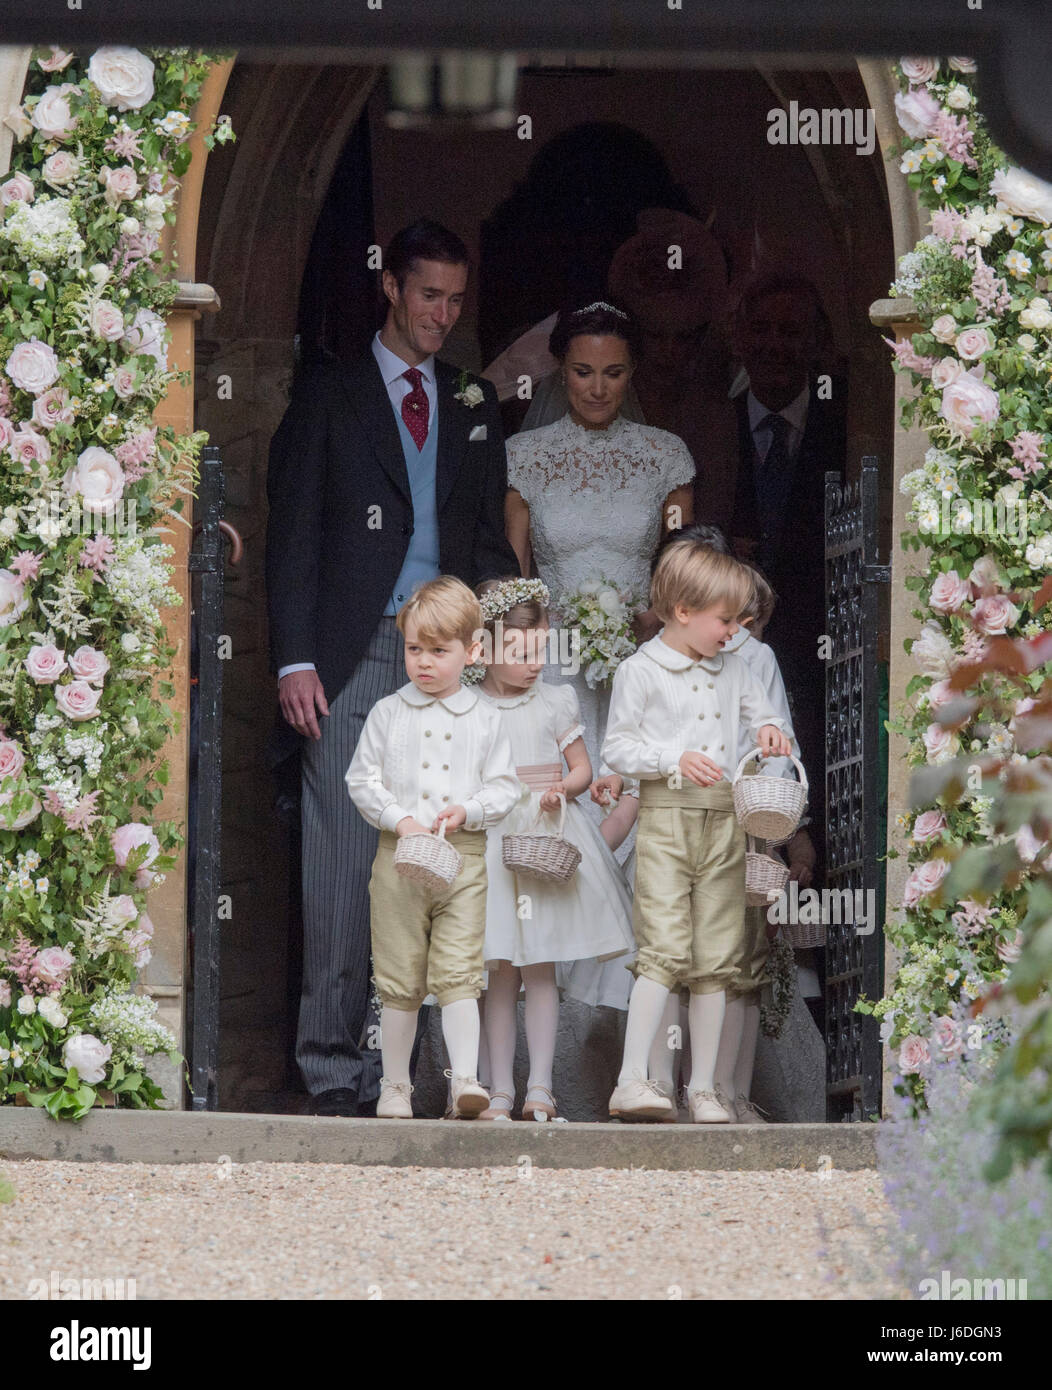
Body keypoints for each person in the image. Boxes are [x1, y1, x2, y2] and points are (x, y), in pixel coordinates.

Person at [265, 218, 520, 1118]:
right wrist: (295, 657)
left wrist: (501, 637)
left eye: (455, 299)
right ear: (389, 287)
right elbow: (292, 533)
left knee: (445, 857)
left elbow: (488, 539)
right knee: (342, 860)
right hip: (350, 655)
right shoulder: (328, 394)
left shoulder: (476, 401)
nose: (441, 315)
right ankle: (332, 1067)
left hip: (449, 658)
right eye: (427, 295)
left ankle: (405, 1077)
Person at [602, 538, 793, 1123]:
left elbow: (762, 713)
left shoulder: (736, 667)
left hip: (726, 822)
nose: (734, 631)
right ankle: (633, 1079)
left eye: (738, 620)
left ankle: (705, 1087)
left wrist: (767, 733)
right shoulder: (640, 670)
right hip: (668, 821)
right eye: (726, 619)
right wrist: (672, 758)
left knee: (719, 955)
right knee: (661, 950)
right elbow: (616, 747)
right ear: (683, 611)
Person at [343, 577, 520, 1120]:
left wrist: (468, 810)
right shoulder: (388, 712)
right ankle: (395, 1086)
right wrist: (401, 819)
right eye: (414, 649)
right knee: (398, 974)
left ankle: (464, 1080)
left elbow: (505, 786)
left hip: (462, 860)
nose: (424, 662)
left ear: (473, 651)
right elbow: (361, 779)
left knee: (460, 971)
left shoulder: (487, 720)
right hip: (398, 860)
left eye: (439, 651)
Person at [471, 577, 635, 1122]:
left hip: (544, 834)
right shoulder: (467, 707)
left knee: (540, 964)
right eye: (519, 654)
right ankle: (498, 1089)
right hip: (494, 838)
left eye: (540, 651)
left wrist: (563, 789)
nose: (533, 665)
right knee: (499, 968)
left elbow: (583, 769)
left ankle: (540, 1085)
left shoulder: (556, 700)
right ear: (485, 649)